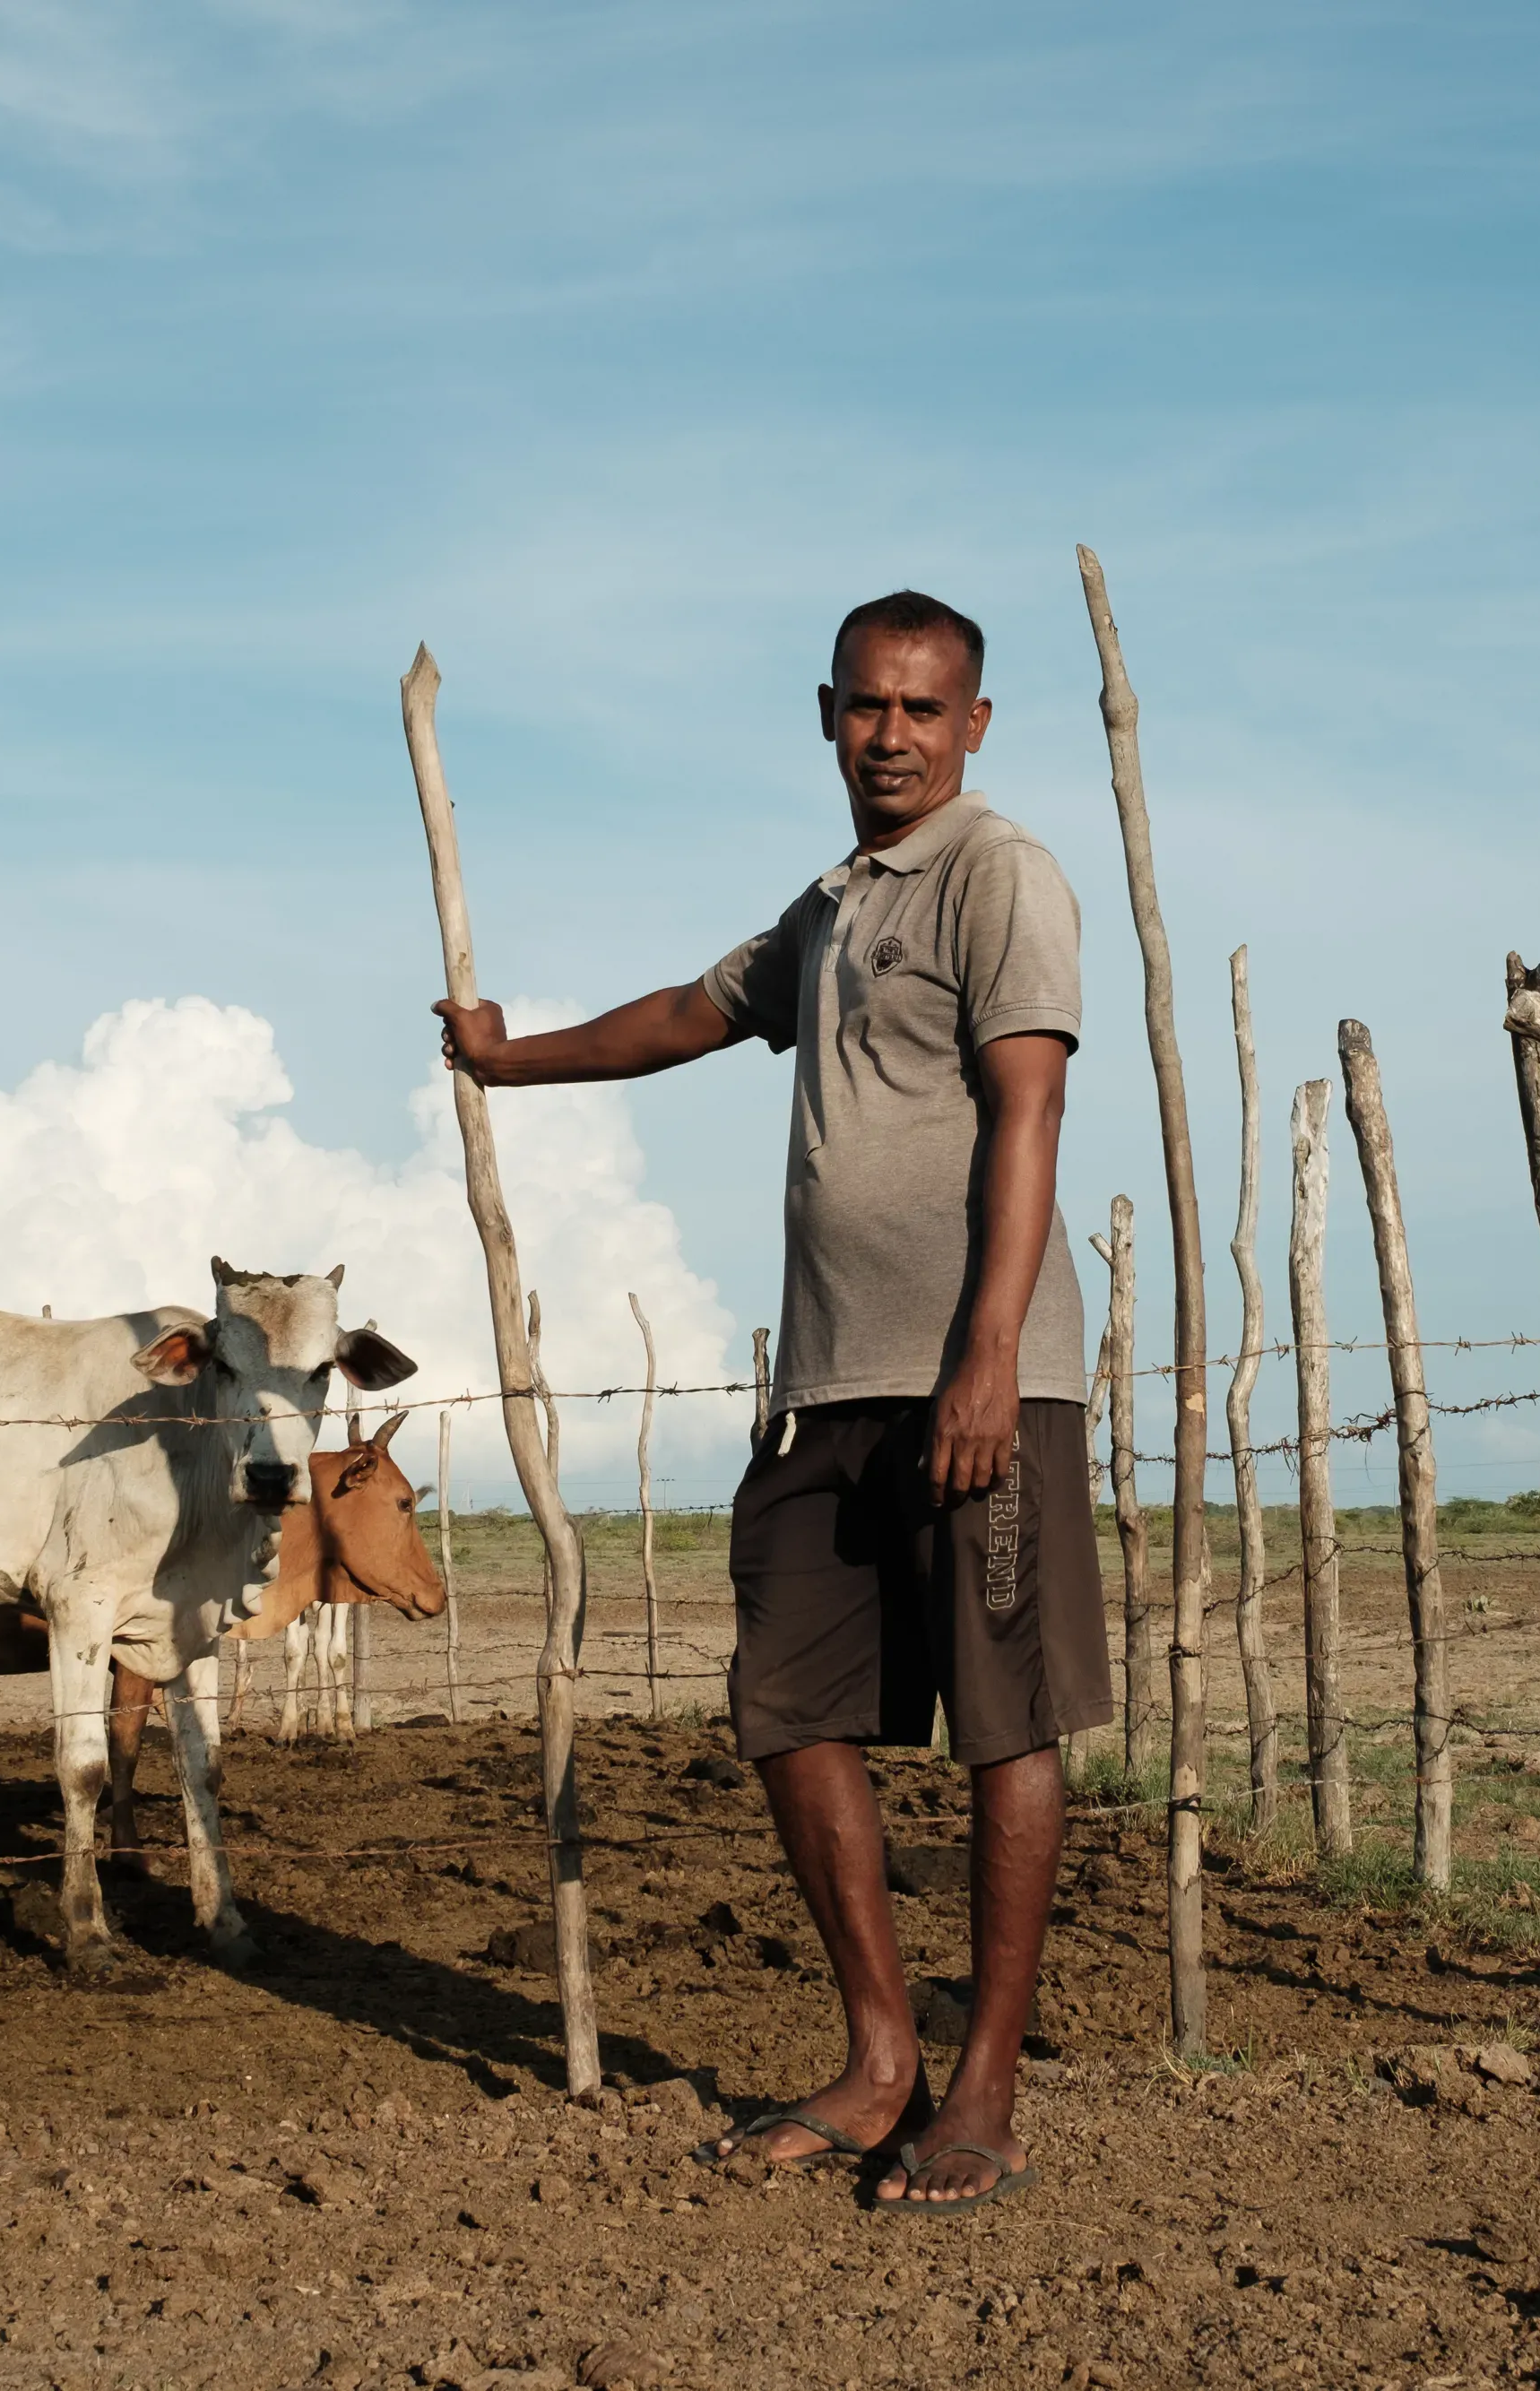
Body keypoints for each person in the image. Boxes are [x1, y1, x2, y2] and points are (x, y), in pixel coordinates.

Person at [432, 588, 1105, 2213]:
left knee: (1004, 1719)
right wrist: (512, 1062)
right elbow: (693, 1012)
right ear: (826, 714)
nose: (893, 736)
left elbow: (1029, 1110)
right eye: (868, 708)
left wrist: (989, 1351)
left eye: (924, 711)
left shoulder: (997, 874)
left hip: (974, 1373)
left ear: (976, 727)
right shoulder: (833, 905)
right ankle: (882, 2062)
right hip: (825, 1384)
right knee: (790, 1704)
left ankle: (987, 2092)